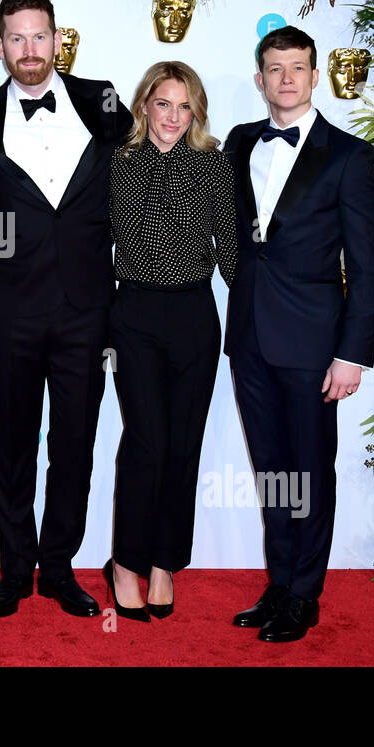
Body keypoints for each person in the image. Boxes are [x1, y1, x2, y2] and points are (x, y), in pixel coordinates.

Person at [0, 0, 132, 618]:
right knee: (13, 445)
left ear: (59, 39)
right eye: (16, 38)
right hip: (11, 310)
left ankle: (59, 569)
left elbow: (141, 180)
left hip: (90, 311)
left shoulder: (104, 101)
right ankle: (13, 570)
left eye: (40, 36)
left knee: (75, 445)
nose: (29, 51)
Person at [222, 25, 374, 642]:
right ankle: (279, 582)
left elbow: (367, 265)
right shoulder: (238, 144)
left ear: (315, 77)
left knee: (311, 470)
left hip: (315, 343)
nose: (285, 78)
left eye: (297, 67)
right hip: (249, 338)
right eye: (274, 67)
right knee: (272, 471)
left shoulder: (348, 156)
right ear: (260, 78)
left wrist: (351, 353)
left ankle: (304, 594)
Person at [104, 61, 236, 622]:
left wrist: (263, 320)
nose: (173, 117)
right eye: (164, 104)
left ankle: (164, 564)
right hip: (131, 312)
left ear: (196, 112)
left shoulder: (214, 165)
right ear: (144, 106)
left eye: (185, 107)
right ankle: (125, 563)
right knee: (146, 443)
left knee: (183, 445)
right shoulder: (117, 161)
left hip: (193, 314)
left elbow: (230, 246)